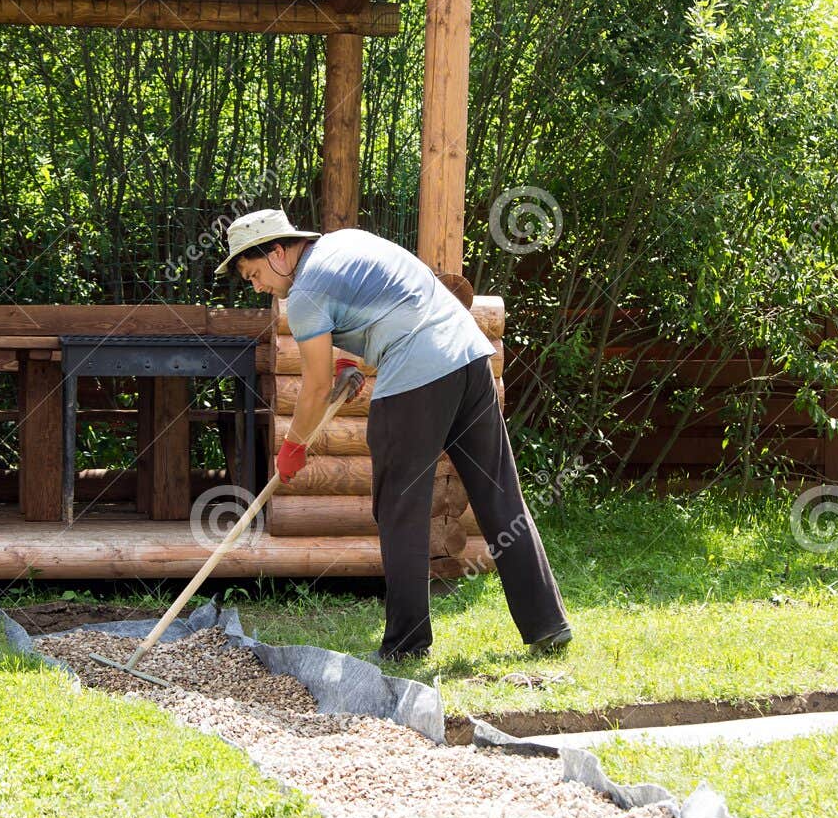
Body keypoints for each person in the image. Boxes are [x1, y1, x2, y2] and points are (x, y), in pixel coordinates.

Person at [215, 208, 573, 661]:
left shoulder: (304, 293)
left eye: (254, 273)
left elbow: (316, 387)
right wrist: (350, 359)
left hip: (416, 378)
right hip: (469, 358)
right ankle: (547, 624)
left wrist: (293, 447)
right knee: (499, 495)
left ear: (279, 251)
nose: (257, 285)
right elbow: (386, 299)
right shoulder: (349, 243)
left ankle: (406, 644)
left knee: (400, 509)